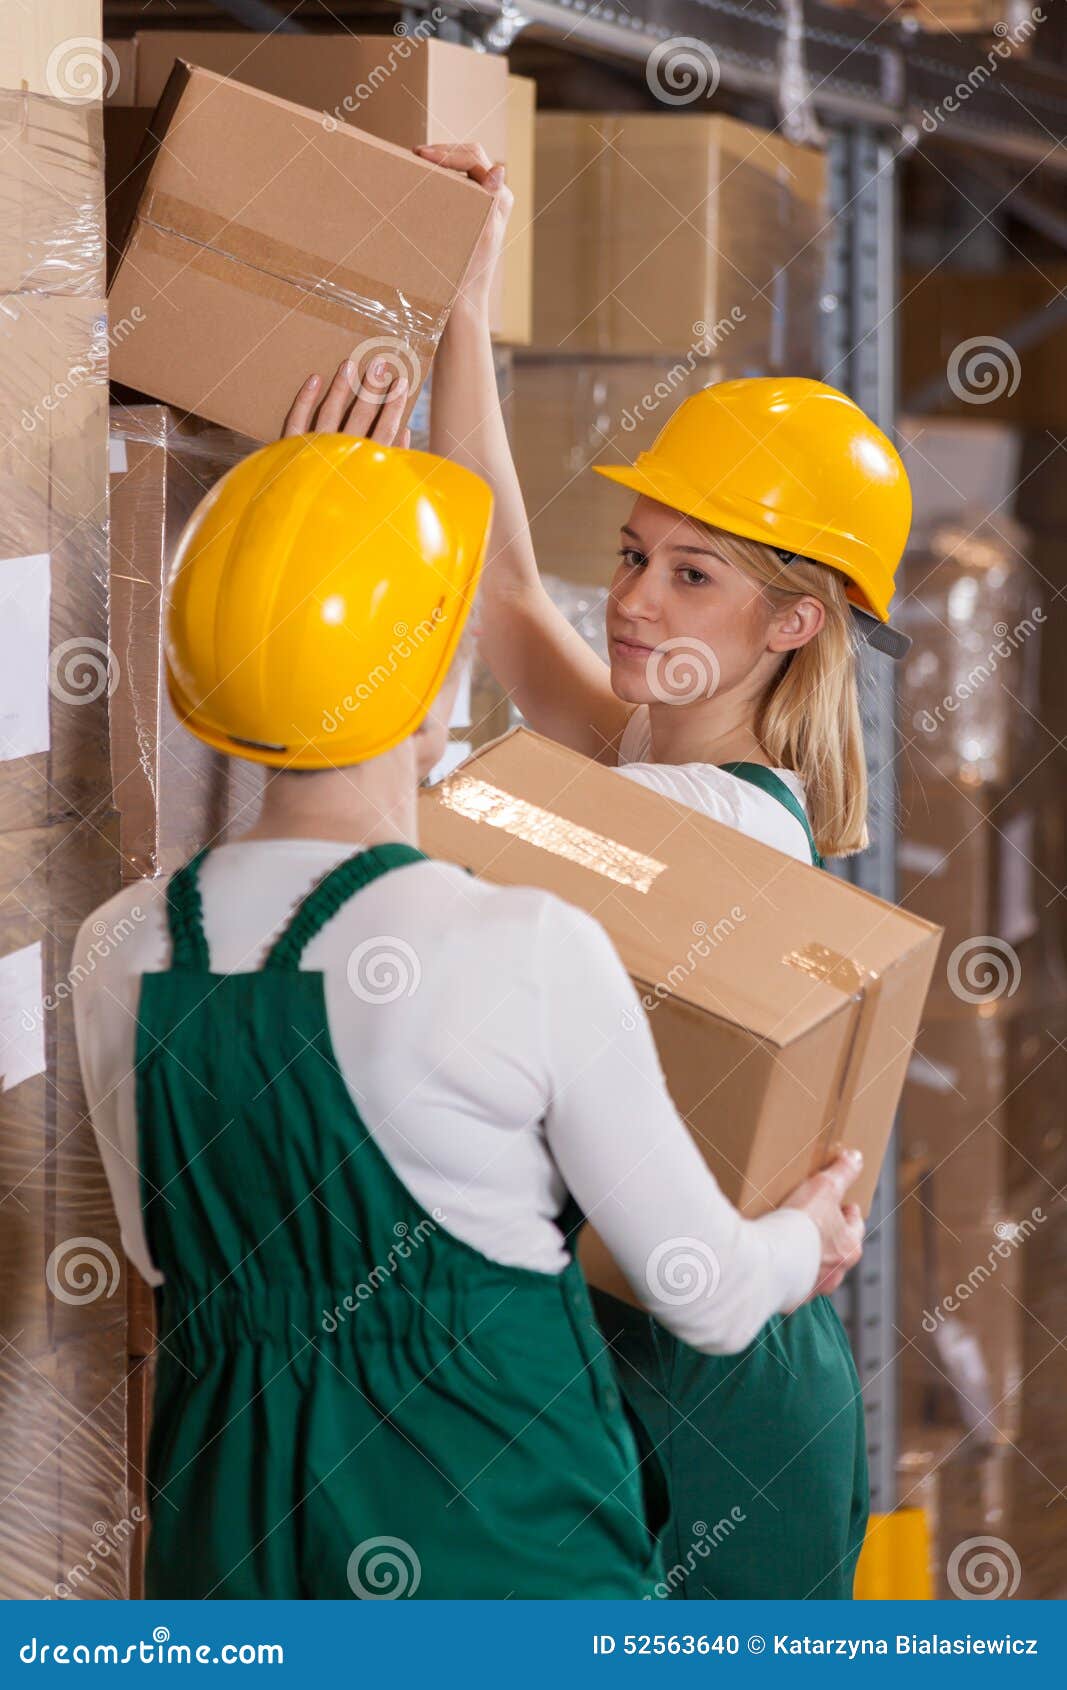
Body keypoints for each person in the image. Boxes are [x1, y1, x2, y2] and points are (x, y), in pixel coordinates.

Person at [73, 415, 865, 1601]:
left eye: (687, 571)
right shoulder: (519, 940)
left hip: (235, 1560)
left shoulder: (114, 948)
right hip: (505, 1561)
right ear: (434, 690)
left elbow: (153, 1251)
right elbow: (697, 1289)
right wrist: (813, 1236)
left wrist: (299, 536)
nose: (637, 597)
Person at [400, 141, 912, 1600]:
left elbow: (423, 854)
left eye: (690, 576)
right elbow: (504, 586)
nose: (629, 600)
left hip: (720, 1418)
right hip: (692, 1353)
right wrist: (459, 297)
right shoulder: (646, 757)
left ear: (792, 623)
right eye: (631, 553)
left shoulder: (703, 819)